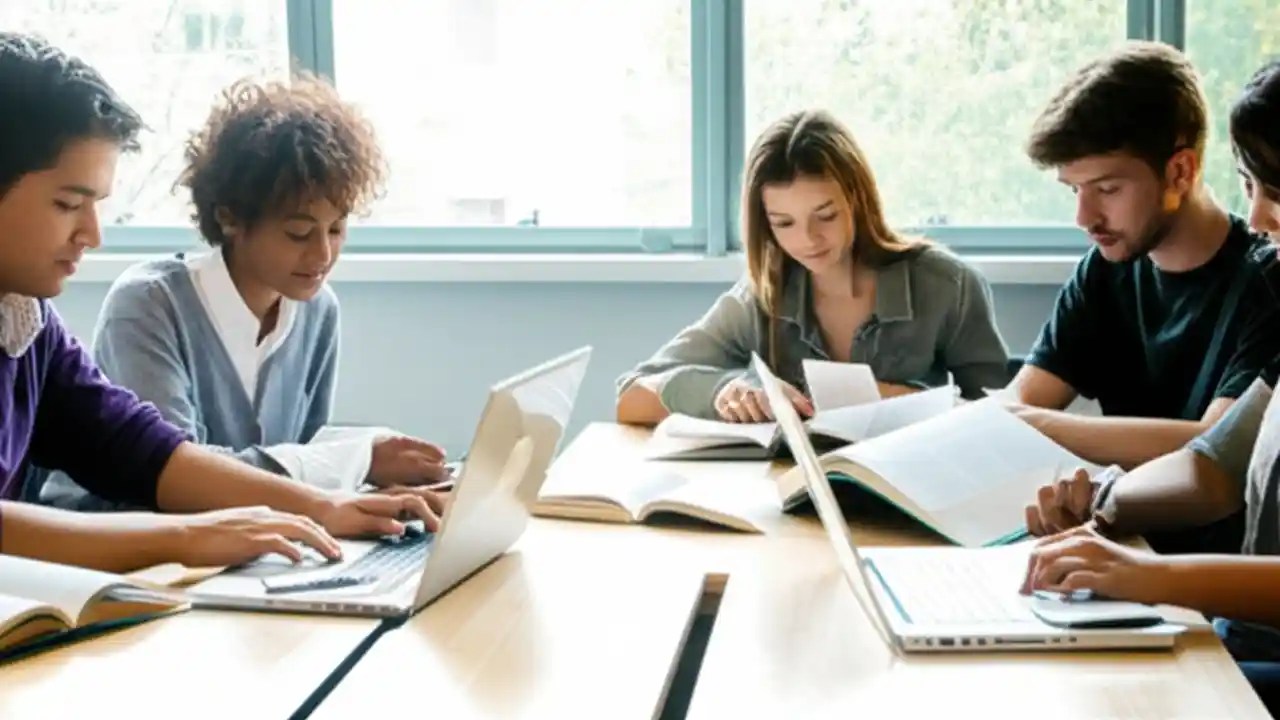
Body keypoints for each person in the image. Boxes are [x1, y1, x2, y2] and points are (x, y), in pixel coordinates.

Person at [0, 32, 440, 573]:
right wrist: (187, 536)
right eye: (69, 204)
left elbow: (136, 448)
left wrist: (322, 507)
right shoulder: (147, 301)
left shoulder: (26, 322)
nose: (93, 235)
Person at [1022, 59, 1280, 715]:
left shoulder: (1263, 282)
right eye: (1250, 185)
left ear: (1180, 172)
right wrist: (1102, 508)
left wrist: (1153, 575)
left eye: (1277, 193)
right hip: (1239, 635)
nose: (1258, 217)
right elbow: (1214, 468)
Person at [616, 109, 1009, 425]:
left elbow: (1005, 418)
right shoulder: (763, 294)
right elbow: (631, 396)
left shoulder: (948, 285)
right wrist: (725, 389)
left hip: (914, 488)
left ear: (857, 199)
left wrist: (896, 400)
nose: (808, 239)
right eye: (784, 223)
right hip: (792, 490)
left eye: (825, 215)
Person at [1007, 41, 1280, 480]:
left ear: (1180, 172)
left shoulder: (1268, 278)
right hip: (1120, 513)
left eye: (1107, 189)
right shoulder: (1103, 271)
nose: (1084, 218)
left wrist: (1032, 425)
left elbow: (1219, 447)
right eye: (1074, 190)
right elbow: (1019, 402)